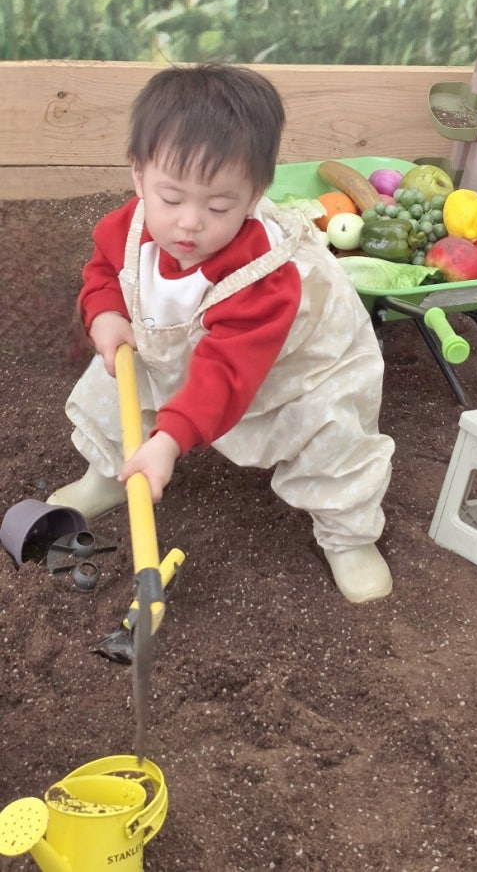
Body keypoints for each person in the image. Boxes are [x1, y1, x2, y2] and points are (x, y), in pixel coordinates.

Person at [48, 63, 395, 603]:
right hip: (180, 341)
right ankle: (109, 472)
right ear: (139, 175)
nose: (189, 223)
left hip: (291, 367)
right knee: (118, 375)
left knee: (328, 431)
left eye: (217, 206)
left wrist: (171, 439)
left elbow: (228, 372)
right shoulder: (132, 226)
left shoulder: (265, 278)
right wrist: (106, 312)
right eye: (171, 198)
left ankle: (347, 535)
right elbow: (104, 270)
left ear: (254, 194)